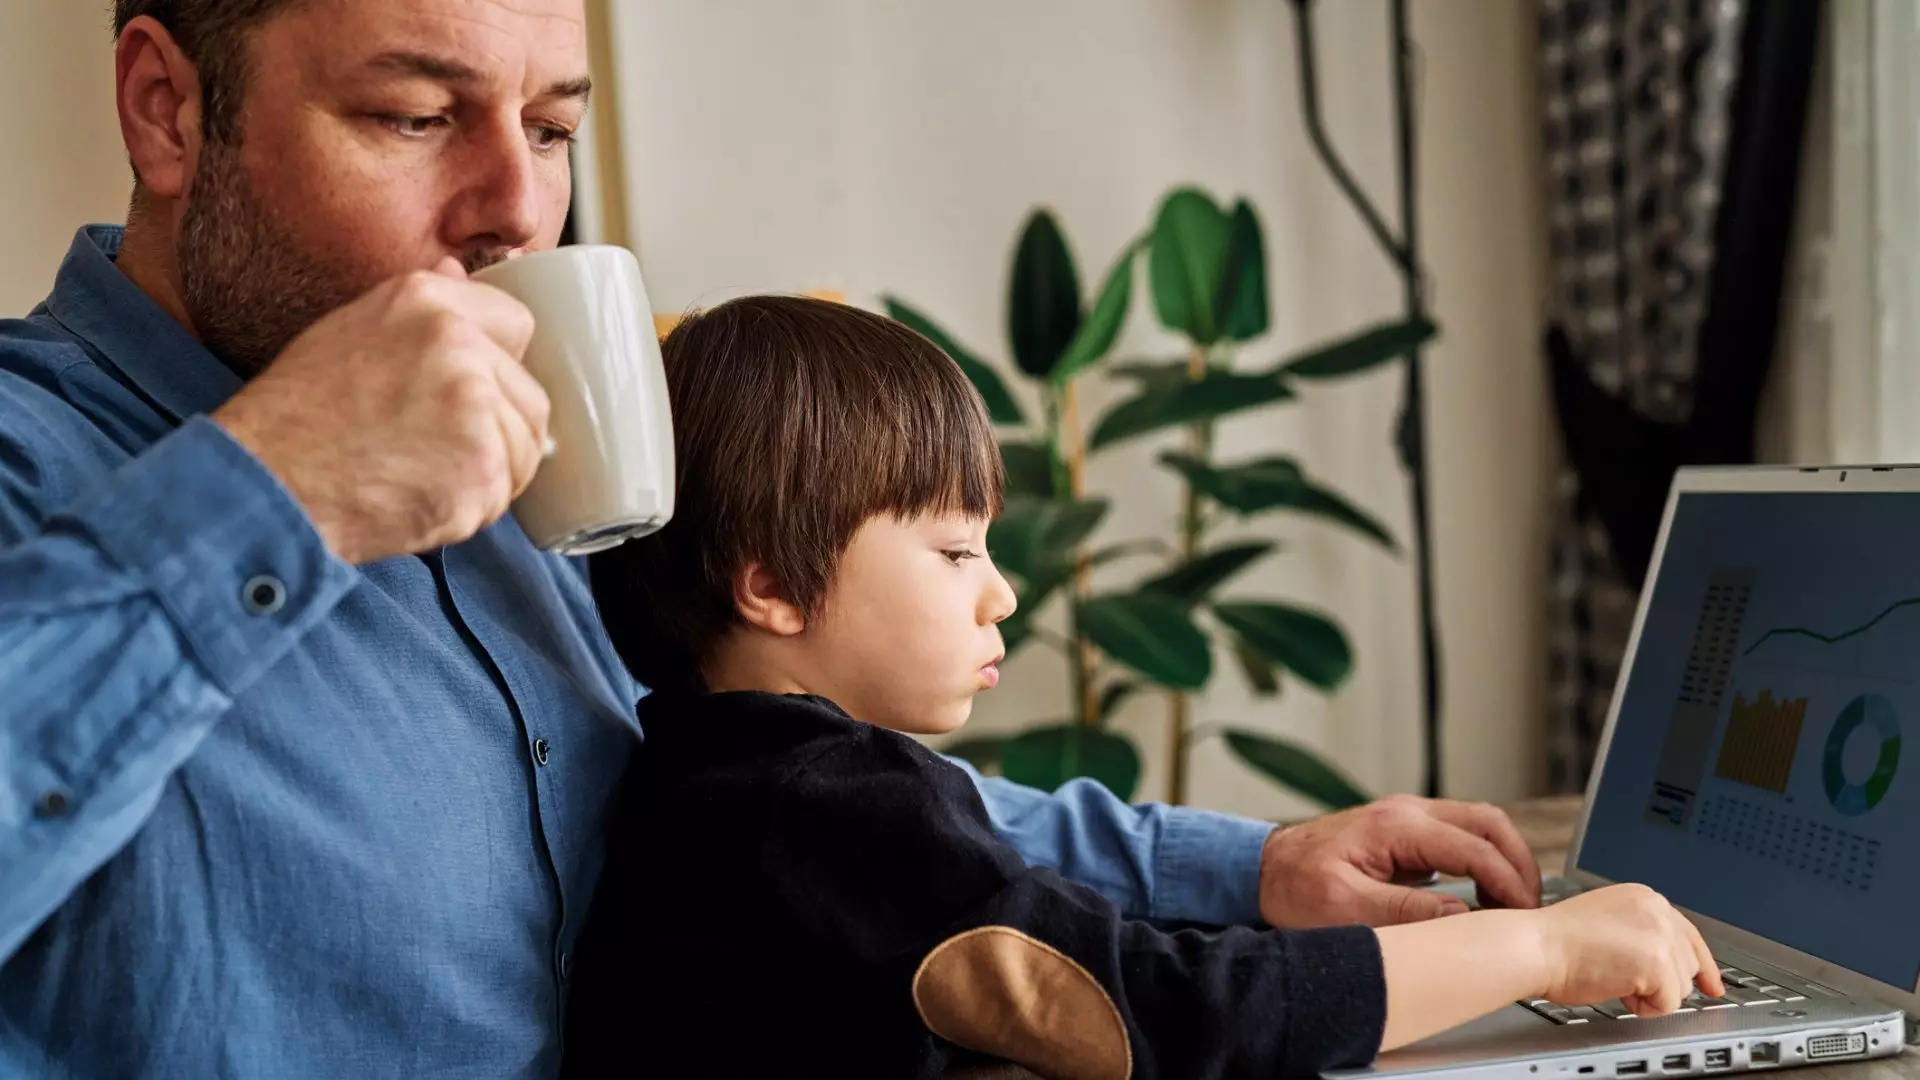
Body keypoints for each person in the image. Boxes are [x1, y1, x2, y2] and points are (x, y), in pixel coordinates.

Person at [0, 0, 1574, 1076]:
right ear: (169, 109)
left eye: (549, 129)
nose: (510, 211)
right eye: (413, 114)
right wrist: (277, 481)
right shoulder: (31, 461)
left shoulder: (533, 467)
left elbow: (807, 803)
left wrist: (1250, 868)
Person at [564, 295, 1723, 1078]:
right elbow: (1147, 1009)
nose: (1000, 595)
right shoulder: (821, 804)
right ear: (771, 586)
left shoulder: (717, 767)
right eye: (956, 551)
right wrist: (1543, 954)